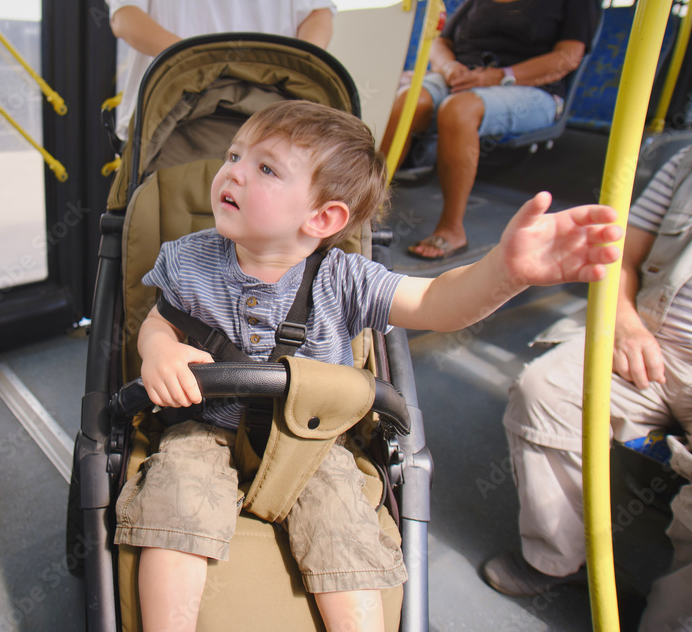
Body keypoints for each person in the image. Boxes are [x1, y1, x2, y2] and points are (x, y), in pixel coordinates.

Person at [116, 99, 622, 631]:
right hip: (205, 427)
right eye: (234, 154)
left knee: (344, 521)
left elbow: (436, 302)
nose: (233, 172)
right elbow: (160, 321)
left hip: (312, 443)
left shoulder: (345, 279)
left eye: (265, 168)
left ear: (323, 217)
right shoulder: (189, 258)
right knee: (173, 501)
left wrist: (505, 271)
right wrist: (160, 351)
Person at [482, 128, 692, 630]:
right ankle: (555, 557)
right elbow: (623, 257)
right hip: (651, 335)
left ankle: (675, 621)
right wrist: (625, 324)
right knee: (546, 391)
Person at [380, 0, 598, 260]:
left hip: (530, 88)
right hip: (460, 77)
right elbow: (442, 42)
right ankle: (369, 204)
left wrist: (498, 76)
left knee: (459, 109)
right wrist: (448, 67)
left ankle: (452, 228)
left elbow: (567, 57)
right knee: (407, 100)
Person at [101, 0, 335, 141]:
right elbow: (126, 19)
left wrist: (293, 70)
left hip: (269, 115)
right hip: (169, 121)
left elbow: (317, 14)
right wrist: (202, 62)